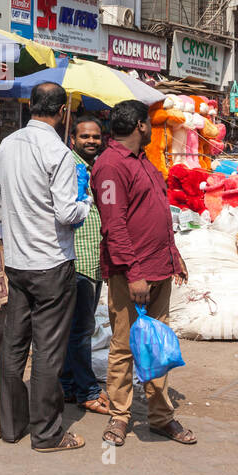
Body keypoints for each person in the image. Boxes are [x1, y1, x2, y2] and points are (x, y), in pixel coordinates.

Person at [0, 82, 90, 453]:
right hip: (50, 263)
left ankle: (12, 426)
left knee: (14, 344)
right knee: (48, 350)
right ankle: (47, 433)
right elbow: (68, 213)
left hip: (17, 260)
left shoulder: (7, 145)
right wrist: (87, 203)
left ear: (31, 105)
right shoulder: (59, 153)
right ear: (62, 113)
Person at [94, 99, 195, 448]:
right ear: (139, 125)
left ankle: (160, 417)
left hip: (159, 267)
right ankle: (120, 417)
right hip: (130, 273)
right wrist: (134, 272)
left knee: (157, 345)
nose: (150, 127)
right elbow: (114, 225)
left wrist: (174, 254)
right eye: (148, 122)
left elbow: (155, 213)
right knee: (124, 346)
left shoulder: (143, 162)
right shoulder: (110, 165)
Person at [59, 113, 108, 416]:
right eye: (85, 137)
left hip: (95, 260)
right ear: (73, 139)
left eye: (95, 136)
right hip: (77, 261)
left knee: (76, 328)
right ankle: (87, 390)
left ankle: (67, 385)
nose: (91, 141)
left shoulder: (97, 170)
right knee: (81, 330)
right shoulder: (71, 169)